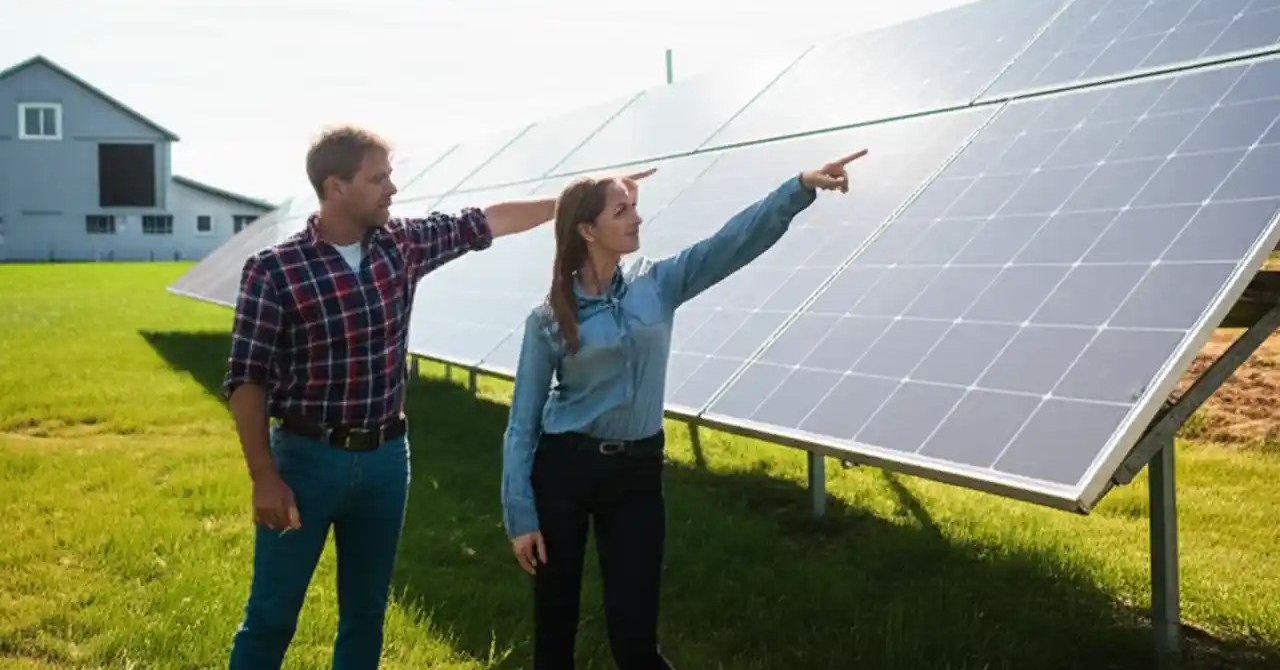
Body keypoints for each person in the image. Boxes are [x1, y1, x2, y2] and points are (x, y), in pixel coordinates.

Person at [500, 149, 869, 669]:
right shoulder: (548, 318)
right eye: (621, 210)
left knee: (635, 637)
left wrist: (799, 187)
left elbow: (730, 244)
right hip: (564, 471)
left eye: (633, 206)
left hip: (637, 474)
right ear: (587, 230)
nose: (637, 217)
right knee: (555, 634)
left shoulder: (659, 283)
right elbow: (521, 423)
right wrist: (520, 515)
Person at [220, 124, 558, 669]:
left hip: (385, 462)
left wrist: (569, 202)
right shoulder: (275, 270)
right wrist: (264, 475)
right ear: (335, 187)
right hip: (305, 462)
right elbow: (246, 377)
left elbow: (487, 221)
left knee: (366, 615)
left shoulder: (400, 245)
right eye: (379, 178)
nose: (393, 189)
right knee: (272, 616)